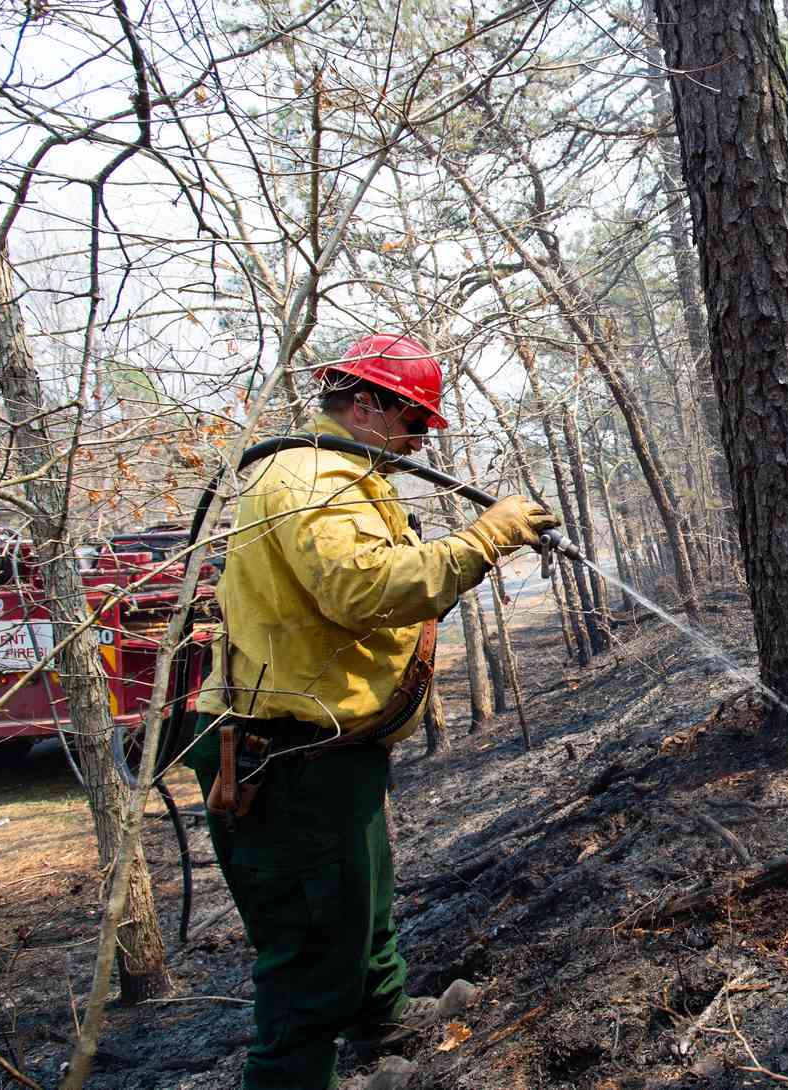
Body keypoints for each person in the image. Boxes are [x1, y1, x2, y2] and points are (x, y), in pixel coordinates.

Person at [184, 333, 559, 1090]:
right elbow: (366, 589)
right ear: (365, 404)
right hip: (282, 756)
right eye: (413, 421)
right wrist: (486, 539)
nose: (419, 441)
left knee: (363, 900)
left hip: (326, 745)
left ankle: (382, 1018)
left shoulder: (345, 474)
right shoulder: (308, 480)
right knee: (310, 947)